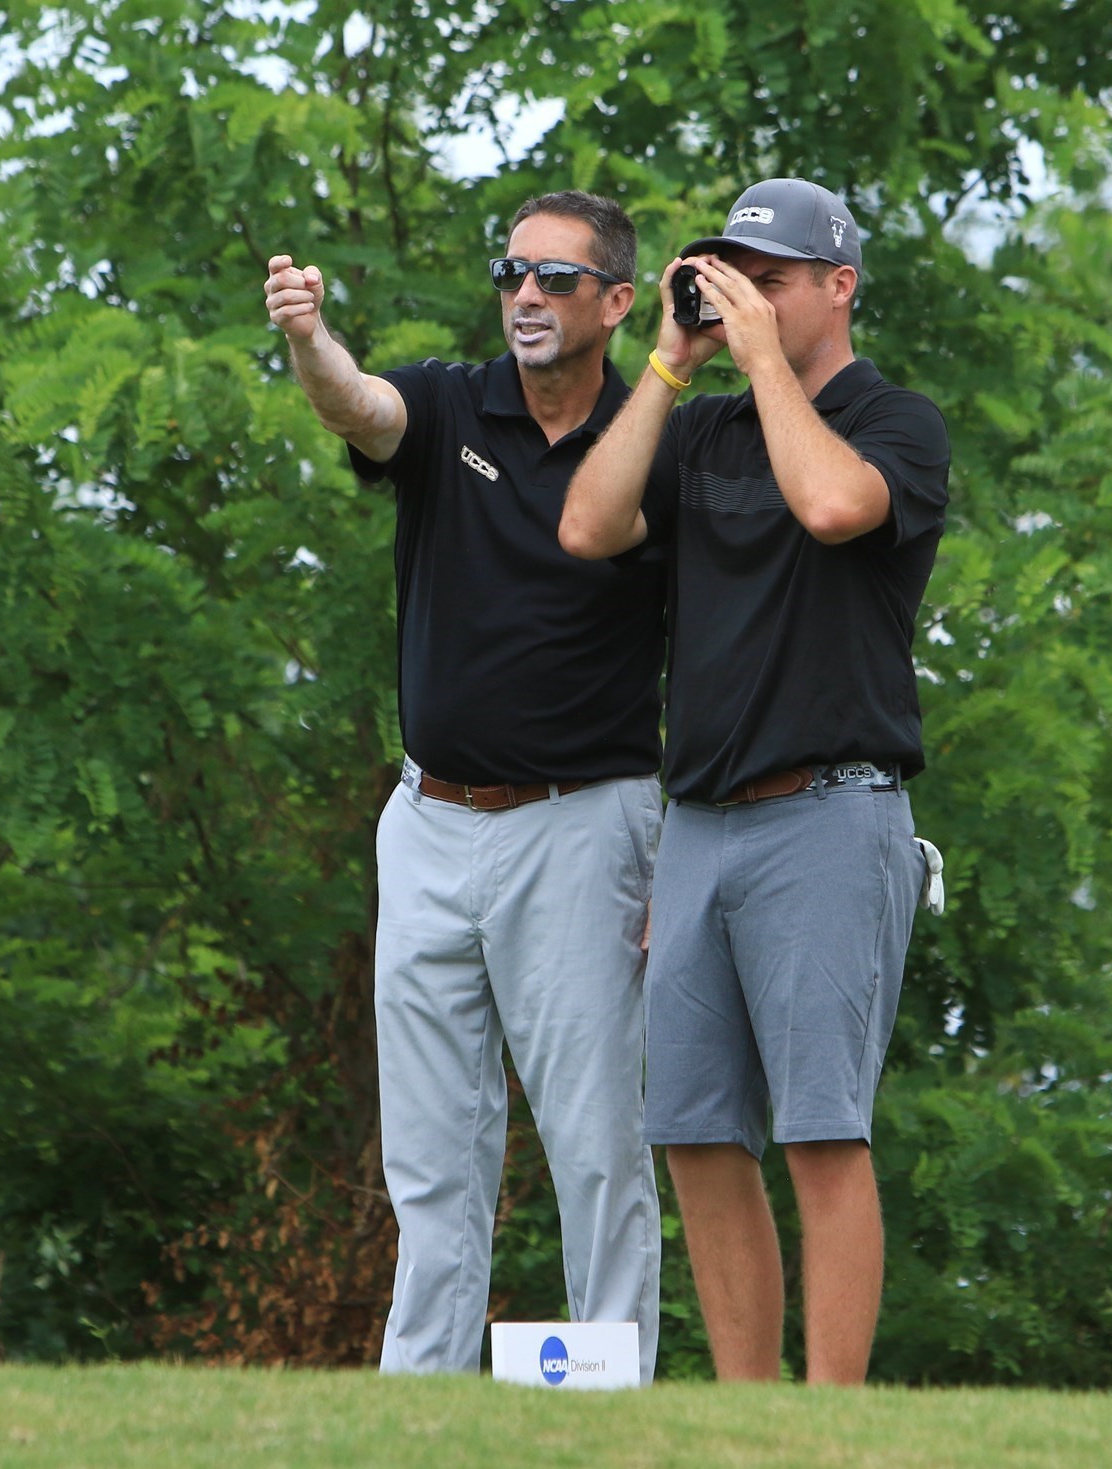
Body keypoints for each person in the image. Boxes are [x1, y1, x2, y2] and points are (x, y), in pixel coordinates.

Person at [263, 192, 667, 1379]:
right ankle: (421, 1403)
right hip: (429, 820)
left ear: (615, 302)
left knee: (595, 1145)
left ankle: (611, 1398)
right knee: (432, 1152)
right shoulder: (452, 403)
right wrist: (307, 339)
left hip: (583, 824)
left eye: (553, 277)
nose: (526, 296)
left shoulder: (657, 437)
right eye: (512, 274)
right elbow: (362, 404)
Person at [560, 177, 951, 1384]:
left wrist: (767, 362)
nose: (748, 302)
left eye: (770, 281)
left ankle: (829, 1425)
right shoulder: (703, 424)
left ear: (838, 287)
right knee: (691, 1131)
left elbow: (833, 504)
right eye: (734, 279)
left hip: (830, 812)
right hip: (700, 823)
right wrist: (671, 361)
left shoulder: (897, 423)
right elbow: (587, 523)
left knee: (821, 1133)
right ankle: (748, 1417)